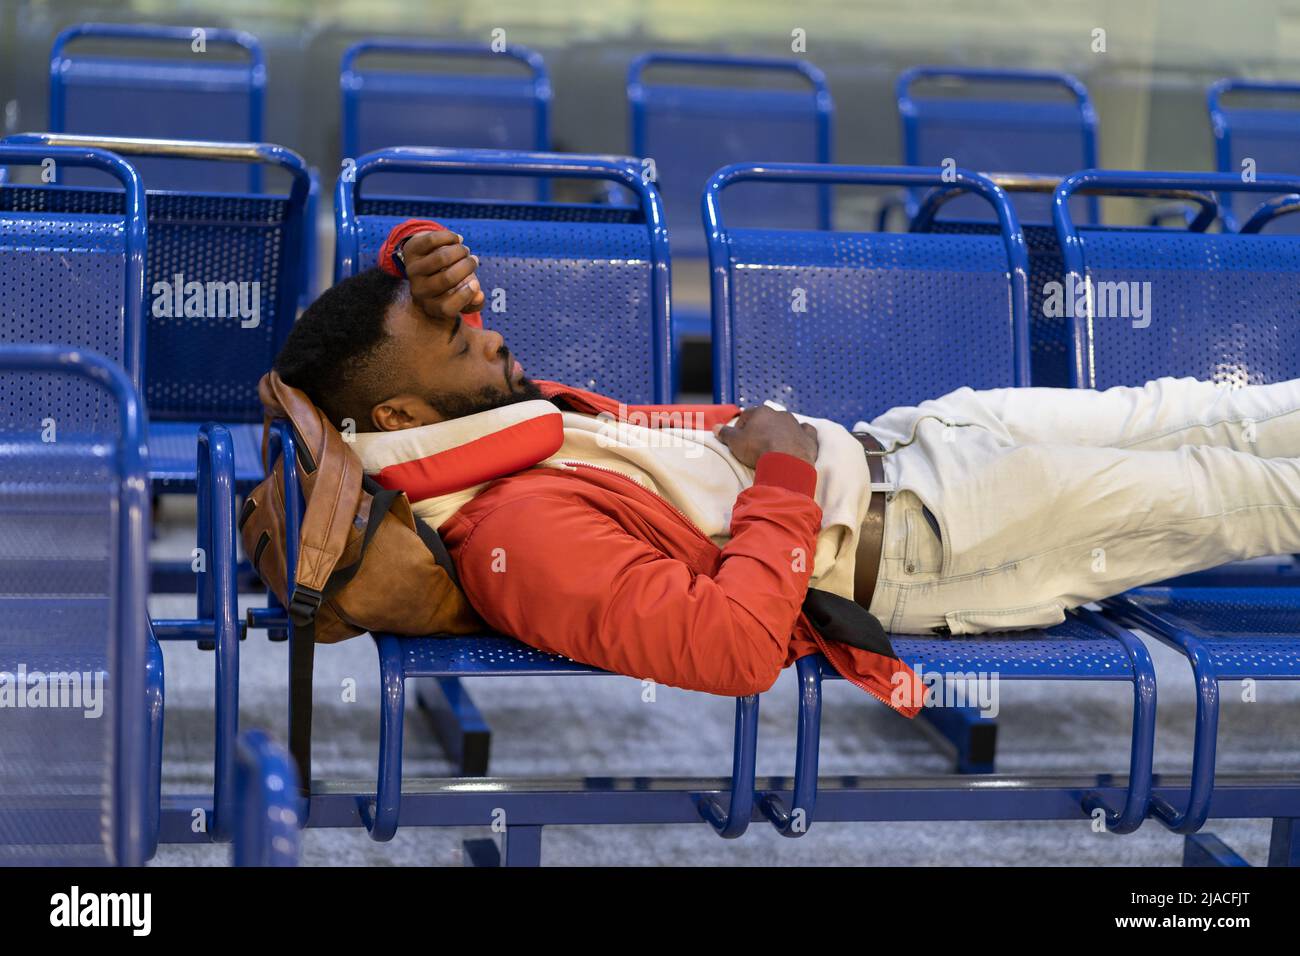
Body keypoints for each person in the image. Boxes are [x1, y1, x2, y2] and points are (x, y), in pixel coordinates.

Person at [273, 221, 1300, 713]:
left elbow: (413, 328)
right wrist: (779, 479)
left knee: (1219, 414)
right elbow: (729, 650)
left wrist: (412, 254)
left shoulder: (480, 427)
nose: (489, 333)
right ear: (402, 414)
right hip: (932, 535)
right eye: (461, 338)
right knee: (1240, 492)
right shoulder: (511, 535)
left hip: (913, 444)